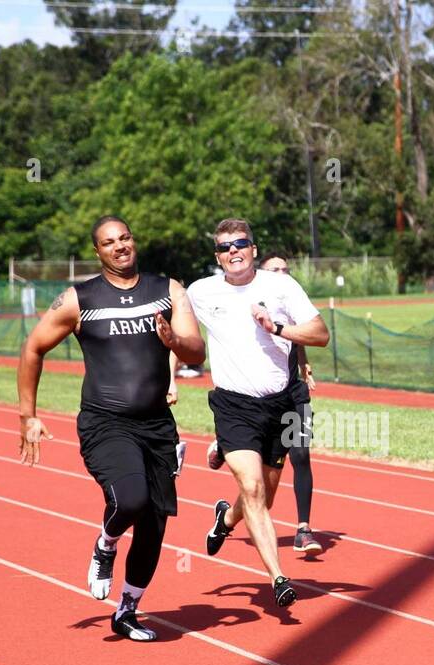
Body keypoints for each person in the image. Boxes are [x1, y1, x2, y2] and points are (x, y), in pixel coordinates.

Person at [17, 216, 206, 640]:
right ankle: (105, 544)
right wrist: (27, 415)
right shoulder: (78, 299)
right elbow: (33, 347)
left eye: (125, 238)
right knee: (132, 498)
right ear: (98, 251)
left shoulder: (167, 290)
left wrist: (174, 342)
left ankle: (127, 610)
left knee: (155, 524)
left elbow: (197, 352)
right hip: (106, 423)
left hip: (158, 425)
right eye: (109, 242)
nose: (120, 246)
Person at [185, 219, 330, 607]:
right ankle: (279, 578)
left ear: (253, 249)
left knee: (261, 498)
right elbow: (176, 327)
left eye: (240, 244)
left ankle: (225, 520)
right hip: (233, 407)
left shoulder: (279, 286)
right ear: (217, 255)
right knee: (251, 488)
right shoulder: (201, 291)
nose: (233, 251)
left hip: (280, 405)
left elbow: (320, 334)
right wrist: (168, 373)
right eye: (224, 247)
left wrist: (277, 326)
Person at [206, 251, 321, 555]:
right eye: (275, 269)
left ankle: (304, 528)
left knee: (301, 454)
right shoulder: (252, 297)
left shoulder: (289, 294)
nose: (281, 272)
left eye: (285, 268)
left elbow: (304, 335)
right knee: (261, 494)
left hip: (294, 393)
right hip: (257, 401)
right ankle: (227, 441)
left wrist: (304, 363)